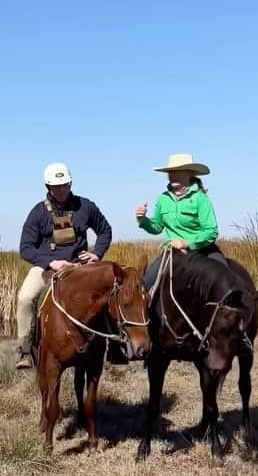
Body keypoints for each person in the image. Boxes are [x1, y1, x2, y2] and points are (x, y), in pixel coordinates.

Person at [16, 163, 112, 369]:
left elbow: (105, 230)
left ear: (70, 184)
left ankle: (116, 347)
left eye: (65, 185)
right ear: (48, 187)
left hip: (80, 268)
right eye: (56, 187)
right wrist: (51, 262)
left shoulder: (86, 206)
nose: (61, 190)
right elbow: (25, 248)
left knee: (110, 292)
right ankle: (25, 351)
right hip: (47, 268)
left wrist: (96, 254)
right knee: (25, 298)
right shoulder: (38, 212)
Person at [135, 152, 226, 288]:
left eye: (178, 171)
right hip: (172, 253)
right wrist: (143, 219)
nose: (173, 175)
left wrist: (187, 243)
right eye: (170, 172)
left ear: (189, 174)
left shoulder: (201, 199)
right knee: (144, 285)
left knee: (225, 278)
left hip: (203, 251)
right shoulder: (163, 199)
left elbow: (211, 231)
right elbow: (157, 227)